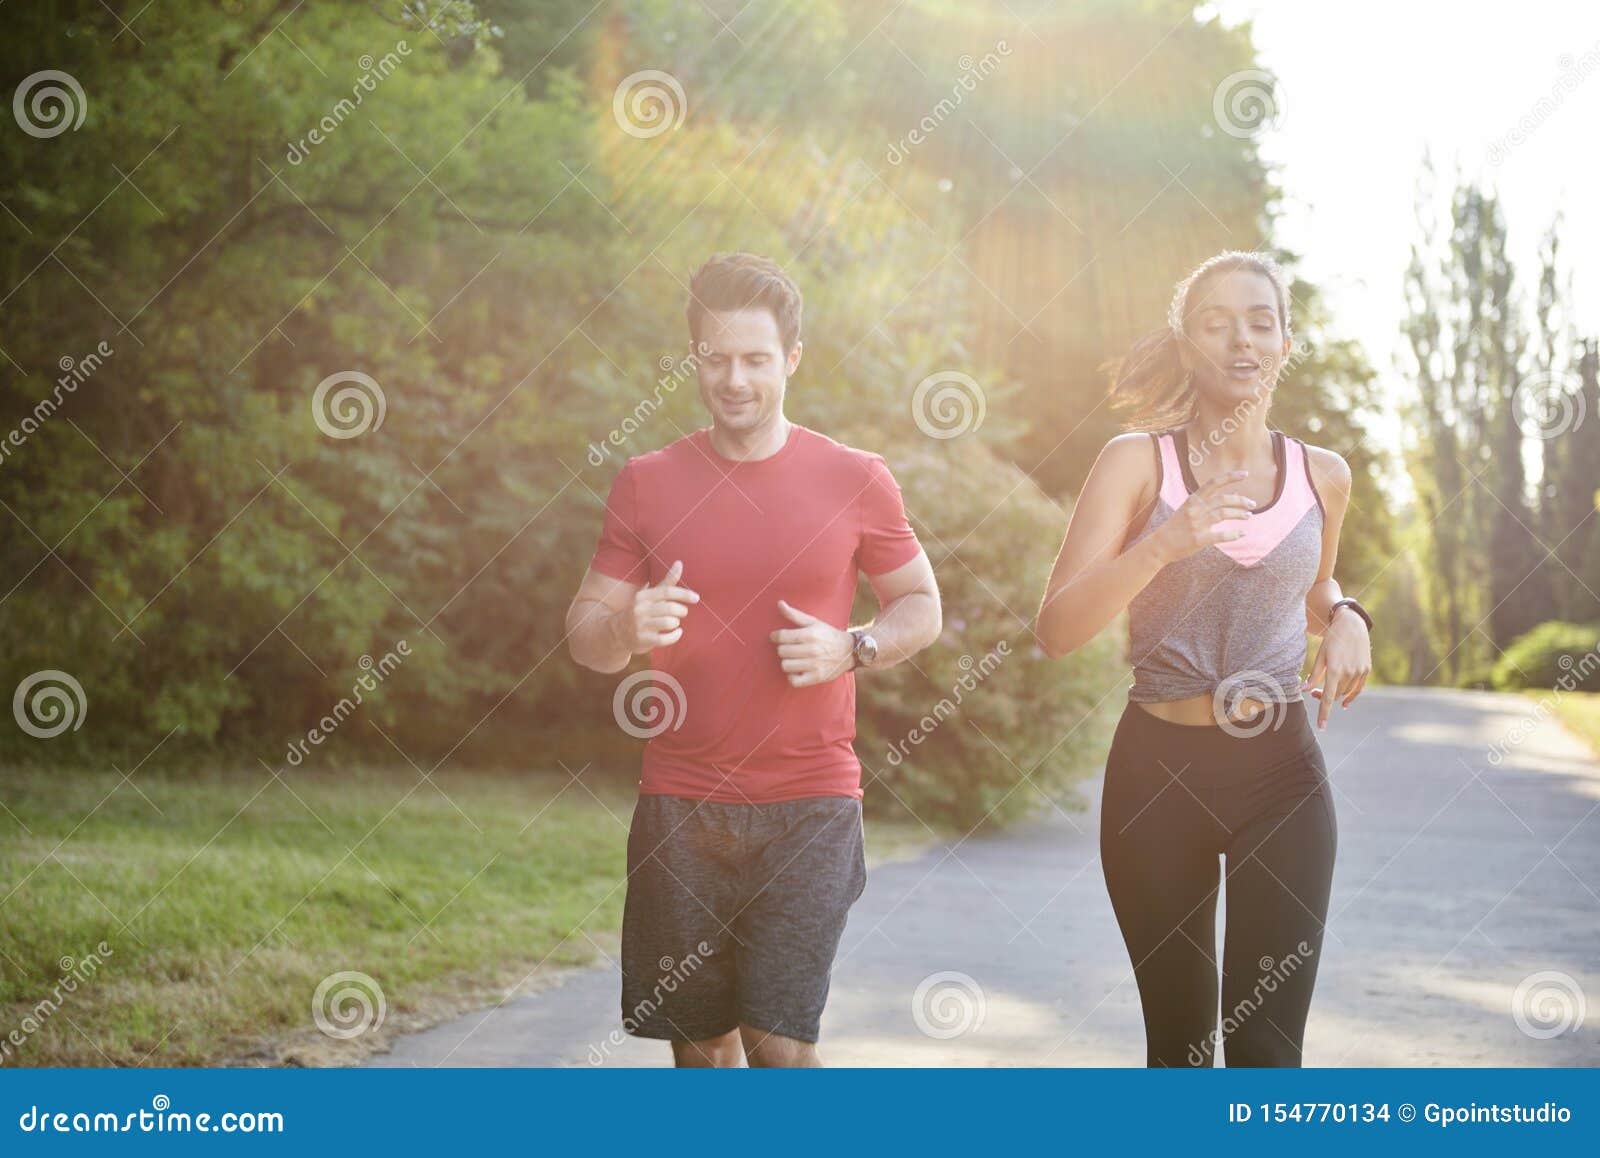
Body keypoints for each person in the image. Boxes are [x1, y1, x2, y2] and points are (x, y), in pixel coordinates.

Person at [565, 252, 942, 1067]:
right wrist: (627, 626)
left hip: (811, 803)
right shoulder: (646, 482)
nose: (734, 379)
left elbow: (922, 604)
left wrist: (854, 646)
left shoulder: (856, 478)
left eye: (756, 359)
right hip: (681, 804)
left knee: (780, 1042)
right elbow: (585, 638)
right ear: (694, 358)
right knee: (702, 1049)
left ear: (792, 360)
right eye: (716, 358)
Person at [1034, 250, 1372, 1067]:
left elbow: (1313, 583)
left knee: (1267, 1051)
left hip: (1281, 774)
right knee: (1181, 1050)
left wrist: (1349, 614)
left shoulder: (1323, 475)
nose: (1241, 342)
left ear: (1287, 342)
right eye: (1217, 324)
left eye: (1261, 323)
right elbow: (1057, 628)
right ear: (1187, 344)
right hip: (1160, 775)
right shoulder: (1135, 462)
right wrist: (1164, 545)